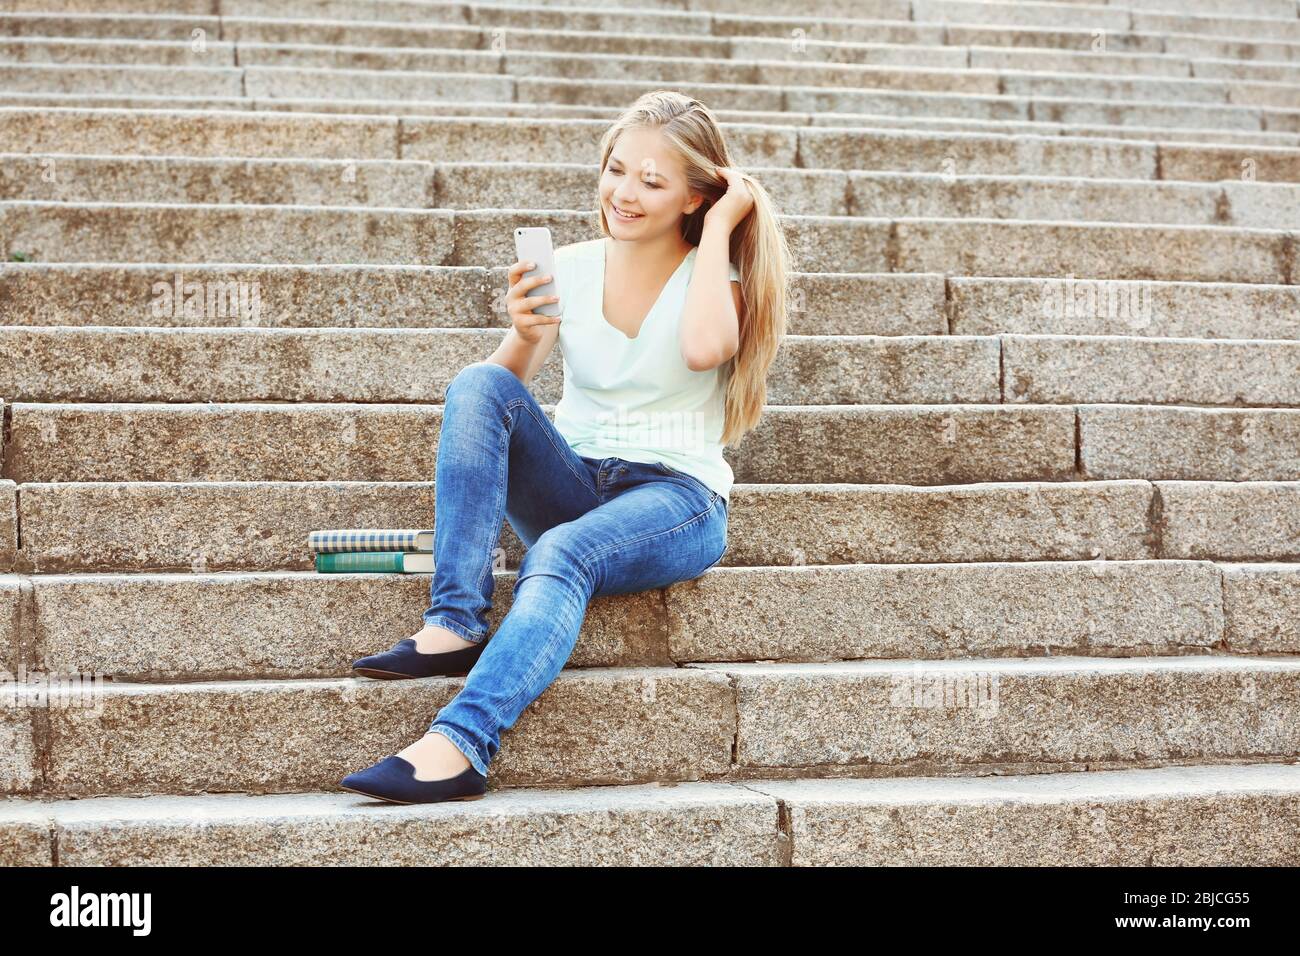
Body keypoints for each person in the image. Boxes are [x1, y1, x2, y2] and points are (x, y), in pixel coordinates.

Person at [339, 90, 790, 804]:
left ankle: (460, 744)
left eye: (653, 180)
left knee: (560, 553)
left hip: (675, 498)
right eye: (617, 169)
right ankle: (453, 621)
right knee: (478, 383)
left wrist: (724, 226)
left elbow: (706, 349)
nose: (625, 192)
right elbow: (495, 403)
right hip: (574, 478)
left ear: (695, 198)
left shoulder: (719, 280)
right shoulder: (570, 267)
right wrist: (522, 334)